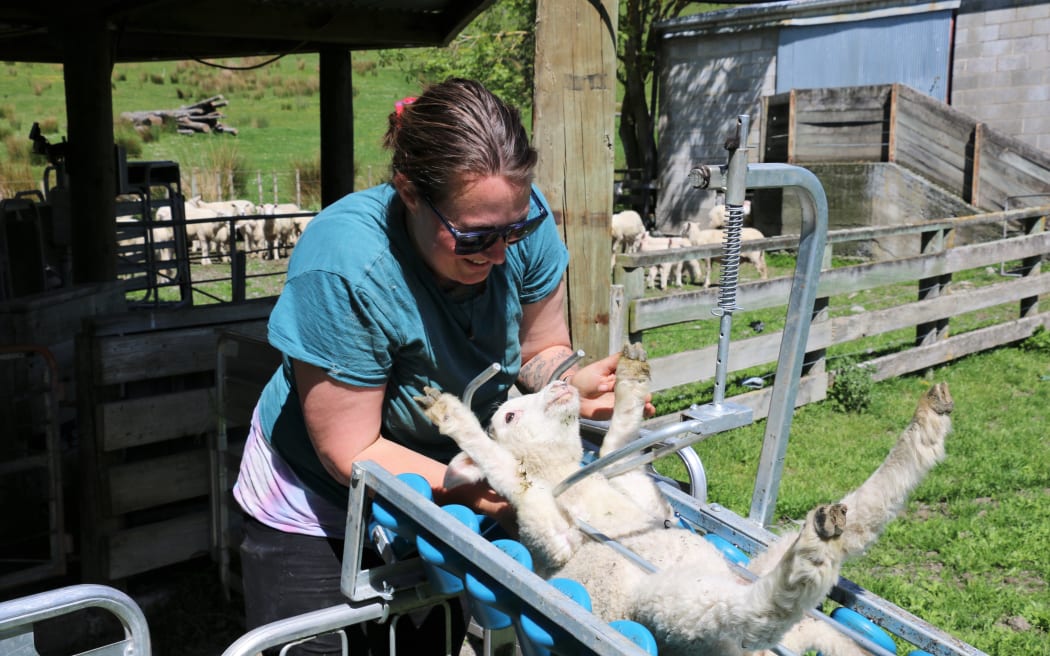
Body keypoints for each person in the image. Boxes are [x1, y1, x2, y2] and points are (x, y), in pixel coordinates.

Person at [233, 77, 648, 655]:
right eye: (474, 237)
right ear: (408, 190)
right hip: (320, 500)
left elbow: (540, 350)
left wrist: (569, 384)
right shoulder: (346, 268)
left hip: (452, 470)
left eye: (516, 228)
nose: (501, 252)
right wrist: (497, 487)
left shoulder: (510, 219)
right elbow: (350, 451)